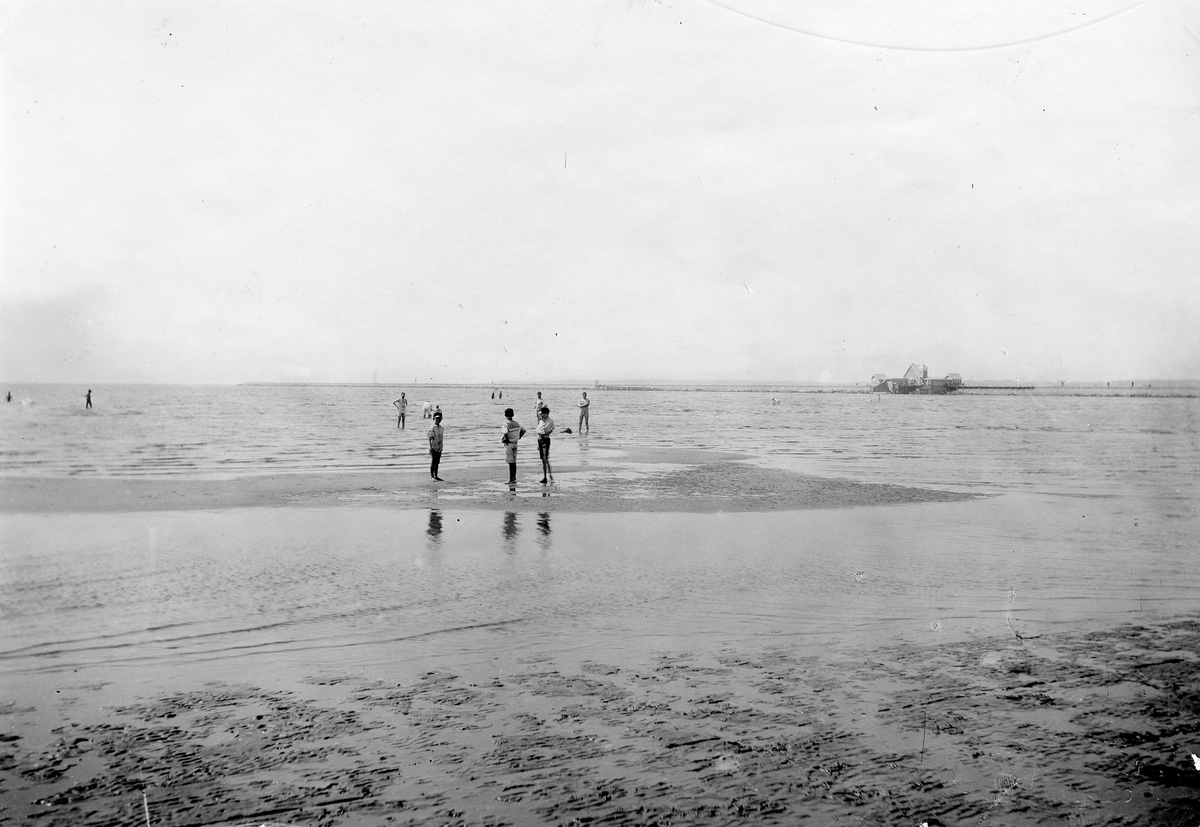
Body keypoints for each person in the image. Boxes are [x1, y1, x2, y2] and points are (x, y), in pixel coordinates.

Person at [501, 407, 525, 484]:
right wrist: (519, 437)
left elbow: (505, 432)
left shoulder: (506, 424)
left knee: (510, 462)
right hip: (515, 443)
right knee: (514, 462)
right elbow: (523, 430)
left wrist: (504, 438)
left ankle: (511, 479)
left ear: (505, 415)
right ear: (513, 415)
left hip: (509, 444)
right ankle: (514, 478)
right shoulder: (516, 423)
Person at [535, 406, 555, 485]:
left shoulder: (550, 422)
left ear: (546, 414)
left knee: (545, 459)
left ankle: (547, 476)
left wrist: (542, 435)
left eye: (542, 414)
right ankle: (547, 476)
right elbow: (538, 431)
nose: (541, 415)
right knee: (544, 460)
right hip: (540, 440)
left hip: (545, 440)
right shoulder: (541, 421)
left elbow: (546, 431)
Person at [427, 411, 445, 481]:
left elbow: (441, 437)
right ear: (433, 419)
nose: (437, 420)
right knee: (433, 461)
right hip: (434, 446)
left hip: (439, 446)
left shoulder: (441, 428)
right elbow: (430, 438)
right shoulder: (432, 428)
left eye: (439, 418)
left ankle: (436, 475)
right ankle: (432, 476)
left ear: (441, 419)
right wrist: (430, 447)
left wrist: (441, 447)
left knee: (437, 462)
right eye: (436, 418)